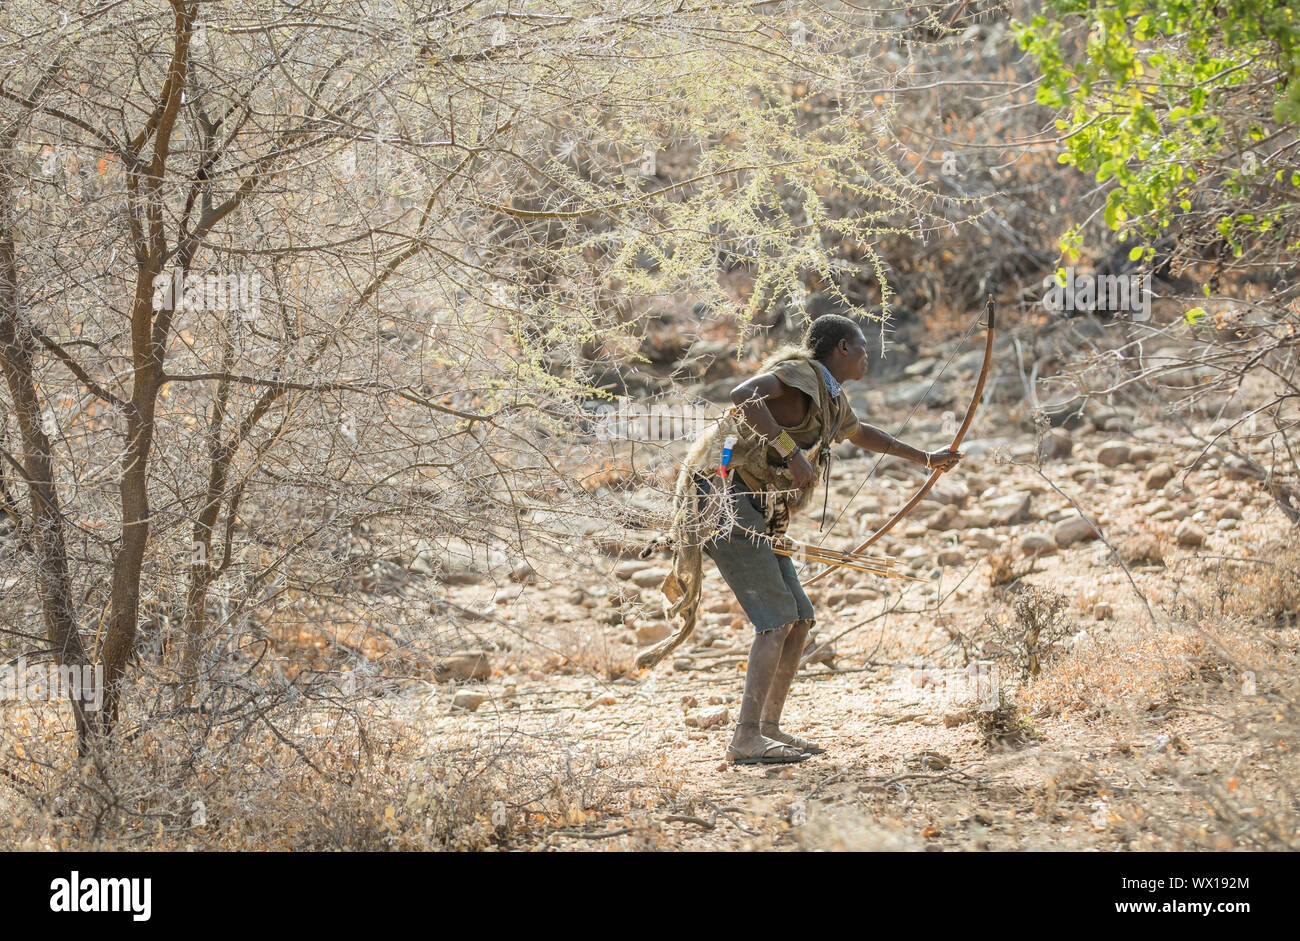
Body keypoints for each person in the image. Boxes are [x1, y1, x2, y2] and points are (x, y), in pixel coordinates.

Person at [638, 314, 962, 764]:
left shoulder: (831, 397)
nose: (869, 356)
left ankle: (767, 729)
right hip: (721, 498)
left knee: (799, 616)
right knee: (775, 618)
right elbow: (742, 395)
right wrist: (790, 452)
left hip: (755, 505)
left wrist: (926, 458)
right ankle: (745, 737)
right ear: (841, 350)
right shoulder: (803, 372)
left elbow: (861, 434)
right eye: (862, 347)